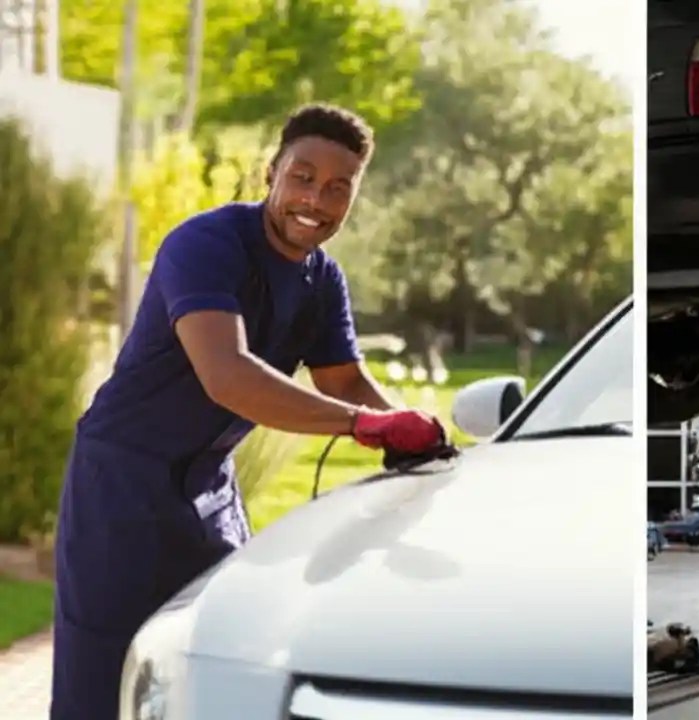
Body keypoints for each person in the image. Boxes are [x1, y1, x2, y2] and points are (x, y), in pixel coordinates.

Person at [49, 103, 444, 719]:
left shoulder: (323, 280)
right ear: (271, 173)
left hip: (210, 488)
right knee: (101, 682)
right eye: (303, 177)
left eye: (339, 187)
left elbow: (344, 380)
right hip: (119, 485)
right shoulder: (204, 245)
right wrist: (361, 425)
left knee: (216, 659)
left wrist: (424, 444)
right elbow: (227, 376)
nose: (316, 199)